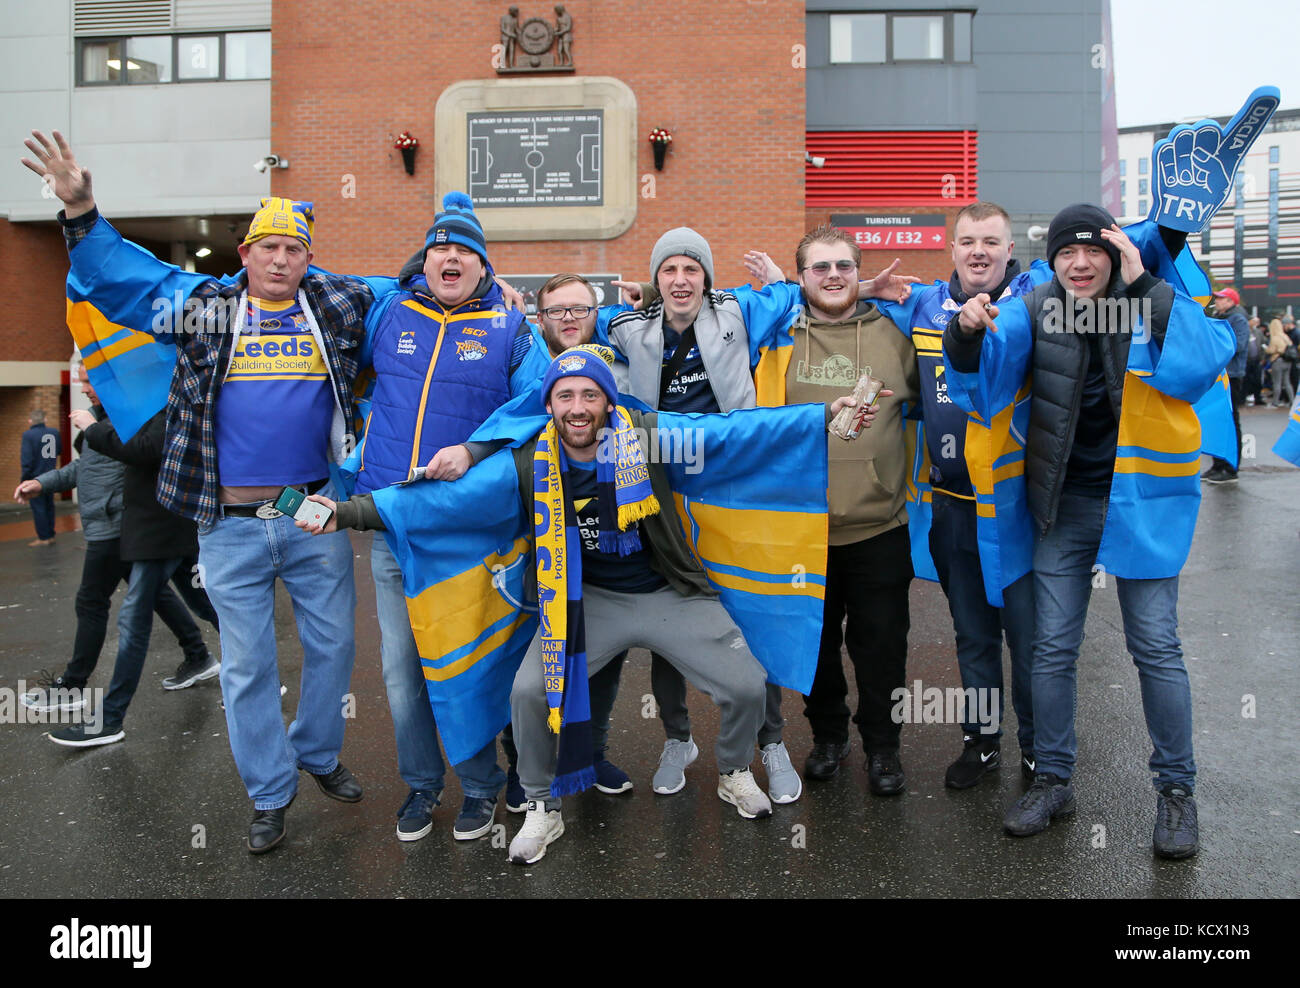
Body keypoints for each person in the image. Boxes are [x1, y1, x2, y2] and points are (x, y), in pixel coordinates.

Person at [300, 346, 870, 863]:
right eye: (565, 395)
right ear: (549, 404)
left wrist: (823, 415)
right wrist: (342, 513)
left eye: (590, 395)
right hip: (586, 602)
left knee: (748, 685)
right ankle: (543, 808)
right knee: (527, 691)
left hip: (667, 592)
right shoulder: (527, 461)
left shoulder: (646, 436)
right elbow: (442, 502)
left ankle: (731, 770)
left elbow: (728, 433)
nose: (578, 406)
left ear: (607, 400)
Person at [26, 129, 372, 854]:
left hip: (308, 512)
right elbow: (132, 280)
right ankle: (271, 792)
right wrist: (84, 212)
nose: (281, 260)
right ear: (244, 254)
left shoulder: (338, 303)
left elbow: (417, 294)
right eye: (267, 248)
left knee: (334, 648)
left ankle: (314, 752)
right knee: (246, 667)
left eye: (294, 248)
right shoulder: (205, 308)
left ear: (310, 257)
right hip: (230, 520)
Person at [943, 202, 1234, 859]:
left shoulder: (1142, 300)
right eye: (1066, 253)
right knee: (1050, 649)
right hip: (1062, 507)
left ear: (1112, 256)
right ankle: (1053, 780)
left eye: (1093, 251)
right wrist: (963, 332)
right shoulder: (1035, 308)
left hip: (1139, 505)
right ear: (1051, 261)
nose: (1079, 263)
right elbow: (979, 386)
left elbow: (1208, 359)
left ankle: (1176, 794)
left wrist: (1147, 285)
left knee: (1157, 647)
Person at [350, 191, 545, 844]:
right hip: (393, 529)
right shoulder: (388, 309)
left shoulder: (512, 329)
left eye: (466, 250)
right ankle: (422, 784)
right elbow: (319, 306)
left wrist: (475, 449)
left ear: (486, 268)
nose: (452, 257)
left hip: (468, 533)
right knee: (402, 675)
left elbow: (542, 404)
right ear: (423, 260)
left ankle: (484, 786)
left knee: (467, 666)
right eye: (441, 247)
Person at [602, 228, 805, 803]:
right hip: (660, 494)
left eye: (692, 269)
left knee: (750, 613)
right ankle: (678, 738)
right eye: (668, 271)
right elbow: (565, 327)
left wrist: (783, 278)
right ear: (657, 278)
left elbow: (801, 292)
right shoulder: (626, 327)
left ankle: (770, 741)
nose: (680, 280)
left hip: (734, 488)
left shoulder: (737, 311)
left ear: (707, 277)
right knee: (674, 617)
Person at [858, 202, 1045, 788]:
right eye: (968, 241)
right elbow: (822, 293)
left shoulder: (1037, 299)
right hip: (952, 506)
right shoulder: (921, 304)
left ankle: (1042, 750)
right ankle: (982, 744)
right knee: (973, 634)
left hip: (1017, 509)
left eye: (991, 241)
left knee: (1031, 638)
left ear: (1010, 249)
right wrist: (865, 283)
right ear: (952, 248)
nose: (979, 251)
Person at [497, 274, 634, 812]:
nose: (569, 318)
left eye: (579, 308)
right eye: (557, 310)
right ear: (541, 316)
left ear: (595, 312)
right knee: (525, 659)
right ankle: (523, 765)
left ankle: (589, 753)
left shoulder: (615, 363)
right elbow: (499, 428)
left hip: (601, 544)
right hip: (530, 536)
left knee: (599, 658)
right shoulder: (521, 357)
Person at [15, 371, 218, 715]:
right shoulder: (104, 418)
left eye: (88, 380)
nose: (83, 388)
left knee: (93, 601)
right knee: (164, 596)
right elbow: (87, 468)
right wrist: (43, 482)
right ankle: (198, 655)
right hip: (124, 528)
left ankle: (77, 689)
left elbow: (139, 454)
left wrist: (91, 430)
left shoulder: (126, 417)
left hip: (117, 527)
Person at [1202, 288, 1249, 483]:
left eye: (1221, 298)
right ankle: (1218, 465)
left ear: (1231, 301)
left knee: (1230, 420)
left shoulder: (1238, 319)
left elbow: (1239, 344)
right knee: (1217, 420)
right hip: (1218, 374)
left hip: (1231, 375)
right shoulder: (1220, 317)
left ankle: (1231, 468)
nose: (1217, 301)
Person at [20, 408, 60, 546]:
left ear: (30, 421)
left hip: (35, 477)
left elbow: (27, 460)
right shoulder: (54, 432)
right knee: (49, 506)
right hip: (52, 475)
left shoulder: (28, 435)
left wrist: (24, 479)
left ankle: (43, 538)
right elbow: (58, 450)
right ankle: (51, 534)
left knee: (39, 507)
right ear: (45, 420)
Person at [1265, 317, 1296, 407]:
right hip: (1287, 361)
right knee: (1287, 382)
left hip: (1277, 361)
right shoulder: (1285, 336)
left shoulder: (1275, 338)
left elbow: (1271, 350)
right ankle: (1292, 401)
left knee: (1277, 382)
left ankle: (1275, 402)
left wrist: (1266, 349)